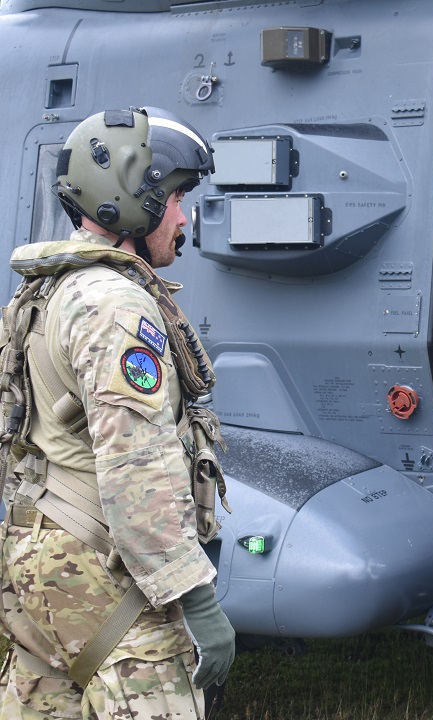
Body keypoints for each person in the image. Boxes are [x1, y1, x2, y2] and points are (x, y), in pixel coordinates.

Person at [0, 107, 234, 719]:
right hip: (105, 569)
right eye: (176, 197)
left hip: (40, 554)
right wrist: (194, 598)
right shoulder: (114, 305)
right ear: (133, 200)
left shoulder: (50, 288)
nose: (183, 216)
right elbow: (138, 464)